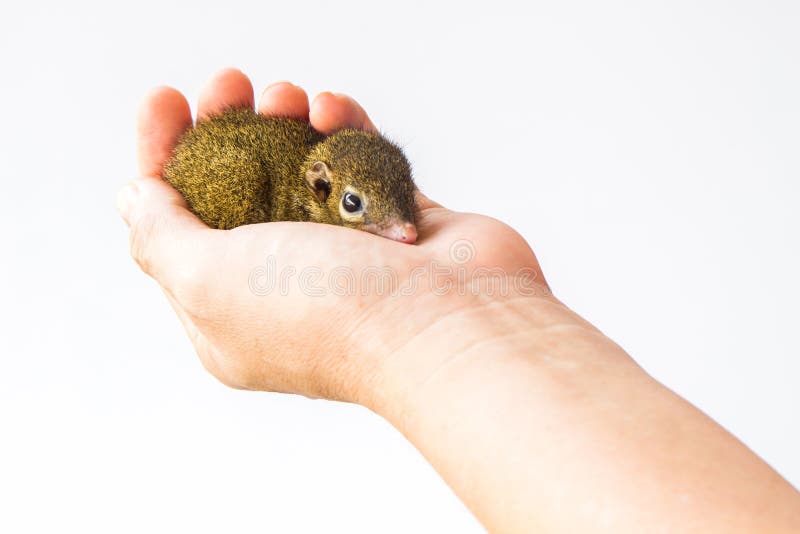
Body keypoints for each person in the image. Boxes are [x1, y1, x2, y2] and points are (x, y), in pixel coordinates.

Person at [116, 68, 800, 533]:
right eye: (364, 211)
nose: (407, 233)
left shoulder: (350, 186)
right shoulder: (285, 185)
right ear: (319, 187)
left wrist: (446, 320)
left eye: (403, 208)